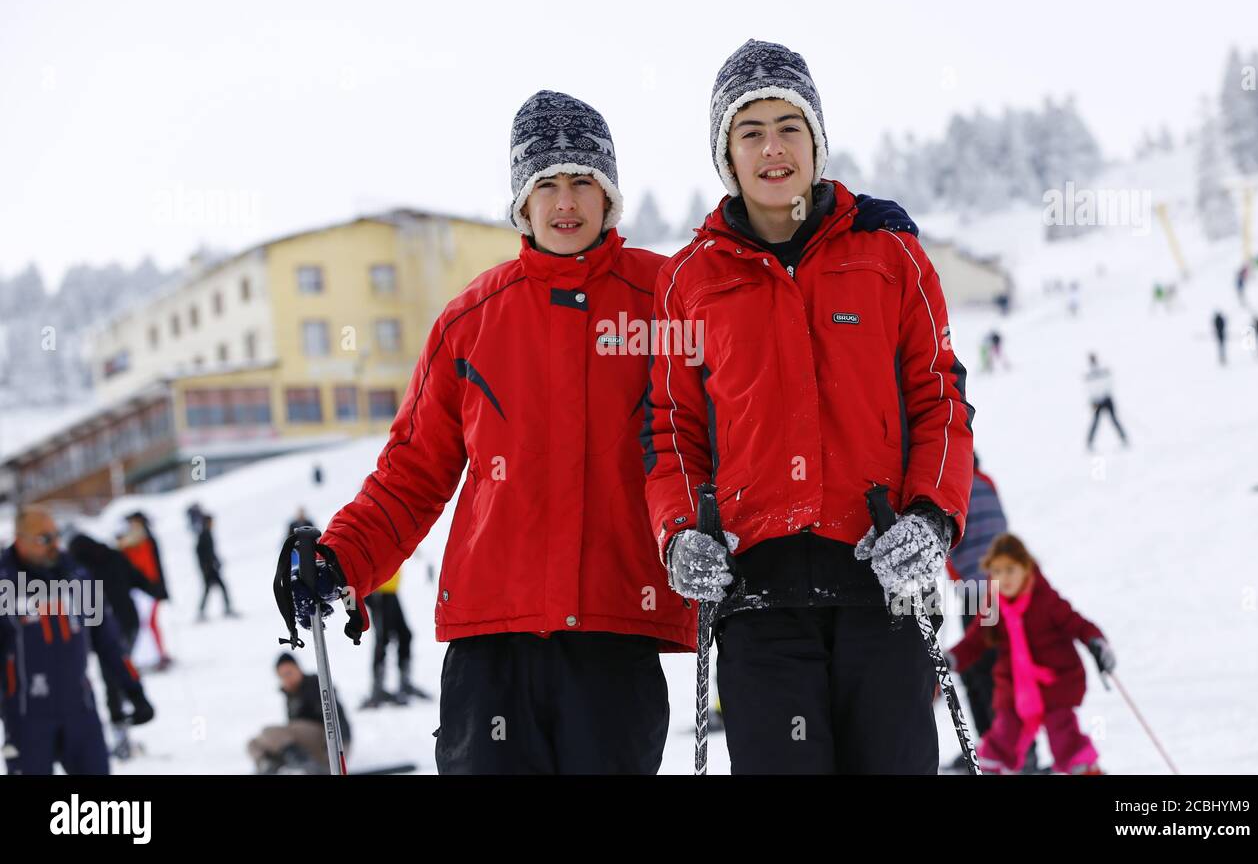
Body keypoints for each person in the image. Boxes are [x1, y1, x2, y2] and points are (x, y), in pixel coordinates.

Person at [275, 91, 694, 774]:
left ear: (609, 194)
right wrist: (342, 557)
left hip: (615, 637)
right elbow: (412, 472)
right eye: (546, 183)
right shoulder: (471, 320)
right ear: (521, 202)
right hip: (492, 647)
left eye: (583, 181)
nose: (566, 202)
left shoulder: (668, 300)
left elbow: (729, 425)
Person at [643, 40, 974, 774]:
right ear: (725, 151)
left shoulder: (891, 257)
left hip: (882, 582)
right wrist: (678, 535)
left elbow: (941, 400)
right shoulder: (688, 281)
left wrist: (931, 517)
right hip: (758, 600)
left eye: (789, 126)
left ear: (817, 140)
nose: (772, 148)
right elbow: (671, 432)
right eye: (750, 129)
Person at [2, 507, 154, 774]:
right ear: (20, 539)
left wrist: (134, 690)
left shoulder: (77, 577)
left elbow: (108, 642)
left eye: (56, 535)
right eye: (44, 538)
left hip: (79, 709)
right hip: (27, 716)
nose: (54, 544)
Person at [947, 533, 1114, 774]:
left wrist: (1096, 643)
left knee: (1063, 735)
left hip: (1054, 683)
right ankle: (993, 770)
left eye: (1010, 570)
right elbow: (975, 642)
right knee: (1003, 736)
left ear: (1026, 567)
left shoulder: (1045, 599)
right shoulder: (992, 604)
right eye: (997, 571)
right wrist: (951, 658)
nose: (1004, 578)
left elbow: (1077, 624)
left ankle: (1084, 769)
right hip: (1015, 688)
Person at [942, 455, 1044, 774]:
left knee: (984, 673)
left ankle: (1009, 750)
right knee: (993, 671)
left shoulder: (956, 487)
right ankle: (1000, 746)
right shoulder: (986, 483)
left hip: (979, 593)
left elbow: (947, 536)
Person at [66, 528, 163, 759]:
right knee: (118, 673)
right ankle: (124, 727)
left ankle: (121, 736)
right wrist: (156, 590)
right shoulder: (114, 556)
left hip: (107, 630)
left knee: (112, 678)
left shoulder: (80, 569)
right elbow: (138, 578)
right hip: (128, 624)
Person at [247, 653, 350, 774]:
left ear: (298, 668)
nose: (286, 679)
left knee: (268, 731)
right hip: (307, 745)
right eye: (282, 676)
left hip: (329, 745)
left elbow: (336, 716)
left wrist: (337, 751)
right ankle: (269, 765)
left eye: (288, 673)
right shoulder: (291, 695)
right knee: (253, 743)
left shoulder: (315, 685)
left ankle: (306, 763)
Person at [360, 571, 429, 707]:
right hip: (379, 590)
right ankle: (377, 690)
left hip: (390, 589)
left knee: (405, 635)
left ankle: (404, 684)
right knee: (382, 639)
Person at [117, 511, 171, 670]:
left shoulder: (145, 542)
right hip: (139, 590)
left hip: (148, 590)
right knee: (143, 624)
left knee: (147, 623)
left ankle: (157, 655)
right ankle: (150, 656)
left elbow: (151, 568)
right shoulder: (130, 545)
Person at [195, 512, 236, 620]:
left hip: (211, 568)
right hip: (209, 569)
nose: (213, 523)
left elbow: (211, 552)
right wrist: (206, 567)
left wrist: (217, 561)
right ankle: (225, 609)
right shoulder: (204, 535)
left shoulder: (207, 533)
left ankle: (202, 612)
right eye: (211, 521)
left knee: (210, 589)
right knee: (219, 588)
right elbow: (201, 553)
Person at [1085, 353, 1128, 450]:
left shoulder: (1103, 368)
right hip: (1096, 402)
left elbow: (1110, 382)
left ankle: (1124, 438)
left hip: (1107, 399)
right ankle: (1089, 443)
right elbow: (1088, 389)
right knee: (1095, 422)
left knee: (1114, 420)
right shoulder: (1088, 373)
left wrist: (1106, 395)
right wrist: (1092, 402)